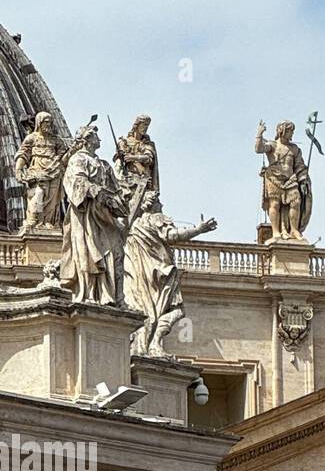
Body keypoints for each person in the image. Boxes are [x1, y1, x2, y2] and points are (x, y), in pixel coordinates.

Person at [124, 188, 217, 356]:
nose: (162, 204)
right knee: (175, 310)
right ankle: (155, 343)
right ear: (152, 204)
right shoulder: (156, 218)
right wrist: (199, 229)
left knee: (145, 310)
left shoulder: (132, 225)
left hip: (138, 275)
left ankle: (141, 345)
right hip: (161, 274)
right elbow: (173, 235)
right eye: (159, 201)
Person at [60, 125, 127, 305]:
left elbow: (119, 191)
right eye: (96, 136)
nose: (99, 139)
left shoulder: (105, 165)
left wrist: (124, 182)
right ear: (87, 139)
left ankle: (111, 295)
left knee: (115, 253)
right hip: (86, 213)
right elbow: (76, 182)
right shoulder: (77, 160)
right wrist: (95, 190)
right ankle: (90, 293)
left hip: (105, 216)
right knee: (88, 252)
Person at [255, 120, 312, 240]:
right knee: (274, 204)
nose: (292, 134)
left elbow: (300, 166)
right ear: (283, 131)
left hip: (290, 180)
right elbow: (258, 149)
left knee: (296, 202)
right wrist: (259, 134)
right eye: (290, 131)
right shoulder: (272, 145)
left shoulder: (295, 149)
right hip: (274, 178)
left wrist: (303, 180)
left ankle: (294, 230)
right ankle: (276, 231)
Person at [14, 111, 68, 231]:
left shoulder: (57, 141)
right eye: (46, 122)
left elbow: (64, 158)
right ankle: (34, 220)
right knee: (38, 194)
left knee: (52, 200)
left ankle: (48, 222)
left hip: (54, 172)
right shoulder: (31, 138)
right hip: (37, 171)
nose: (48, 125)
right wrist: (18, 169)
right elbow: (23, 154)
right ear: (39, 122)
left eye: (50, 122)